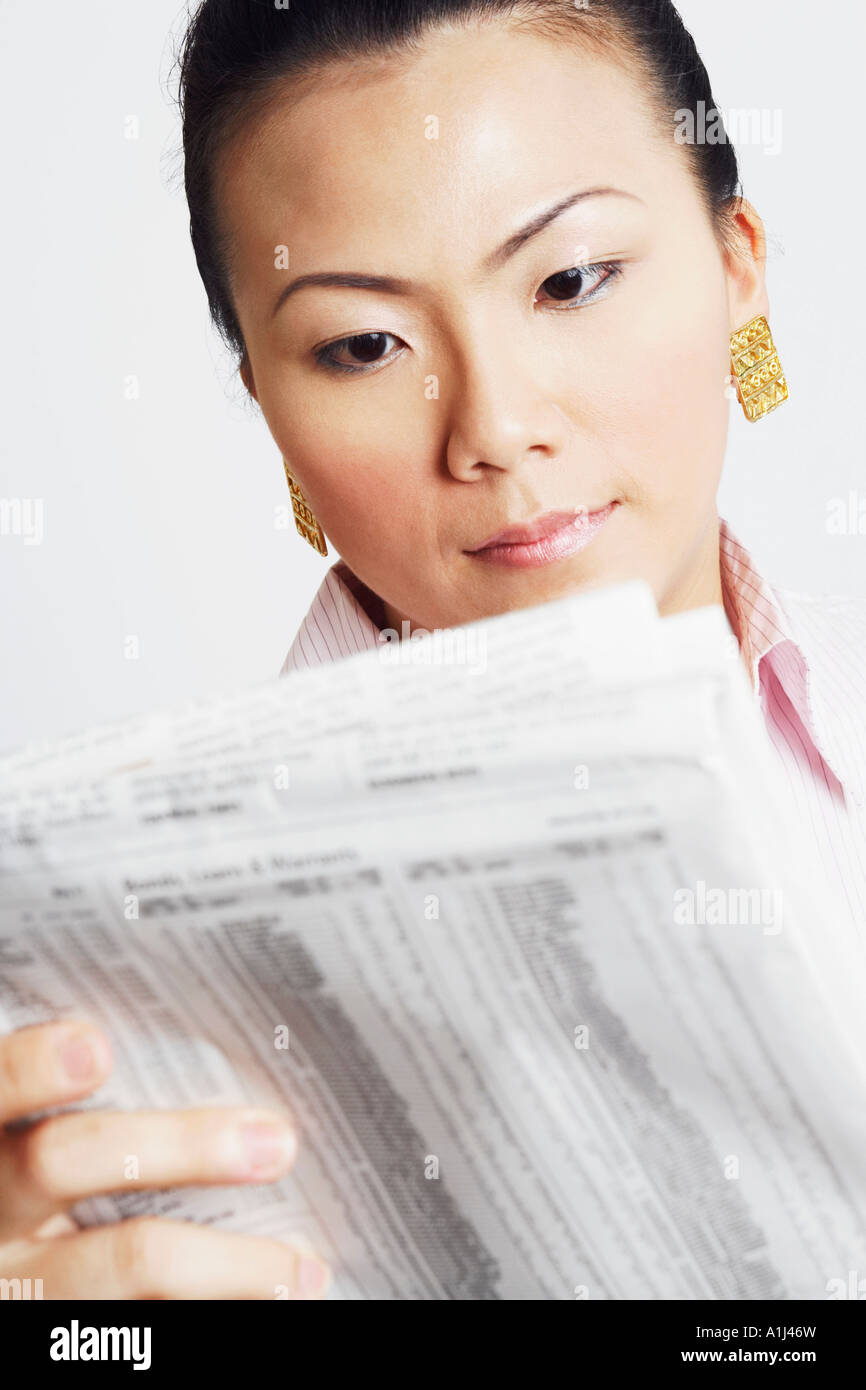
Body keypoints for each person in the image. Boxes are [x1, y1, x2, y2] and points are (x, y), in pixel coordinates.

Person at [1, 0, 863, 1301]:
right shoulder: (84, 998)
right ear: (267, 406)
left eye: (569, 279)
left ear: (735, 262)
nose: (496, 425)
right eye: (361, 346)